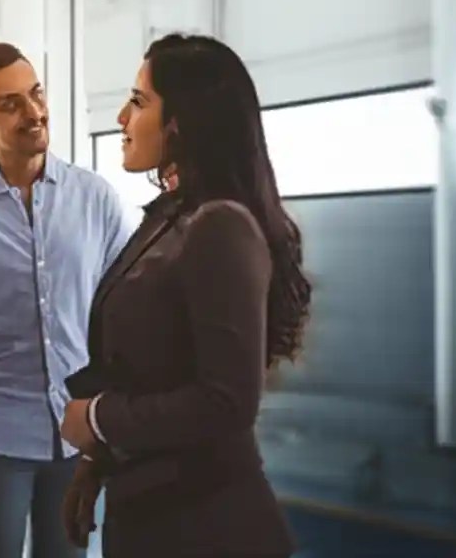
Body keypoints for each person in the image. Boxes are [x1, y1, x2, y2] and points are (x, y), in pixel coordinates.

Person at [58, 33, 312, 557]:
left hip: (207, 528)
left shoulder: (219, 225)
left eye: (138, 102)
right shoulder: (169, 216)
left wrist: (99, 418)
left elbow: (226, 401)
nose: (123, 120)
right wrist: (95, 462)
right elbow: (151, 367)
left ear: (180, 123)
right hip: (152, 514)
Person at [0, 42, 134, 558]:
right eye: (10, 104)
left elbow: (122, 311)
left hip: (78, 435)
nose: (34, 112)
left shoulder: (95, 198)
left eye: (36, 94)